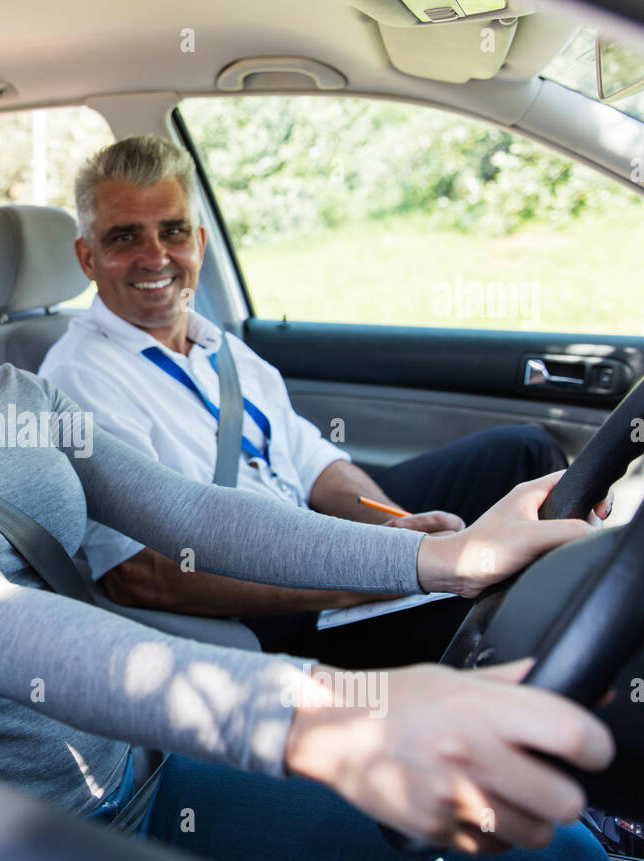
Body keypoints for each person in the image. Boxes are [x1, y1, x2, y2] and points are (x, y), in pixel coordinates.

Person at [0, 89, 614, 861]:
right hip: (19, 837)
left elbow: (190, 509)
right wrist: (331, 713)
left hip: (146, 763)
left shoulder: (16, 391)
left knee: (558, 857)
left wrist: (447, 561)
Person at [37, 135, 581, 669]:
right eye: (125, 238)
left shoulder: (219, 345)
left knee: (524, 452)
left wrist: (392, 531)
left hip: (310, 542)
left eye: (172, 231)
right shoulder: (79, 376)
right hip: (263, 610)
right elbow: (138, 573)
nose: (155, 256)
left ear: (199, 241)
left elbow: (312, 462)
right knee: (494, 618)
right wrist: (359, 577)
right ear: (88, 258)